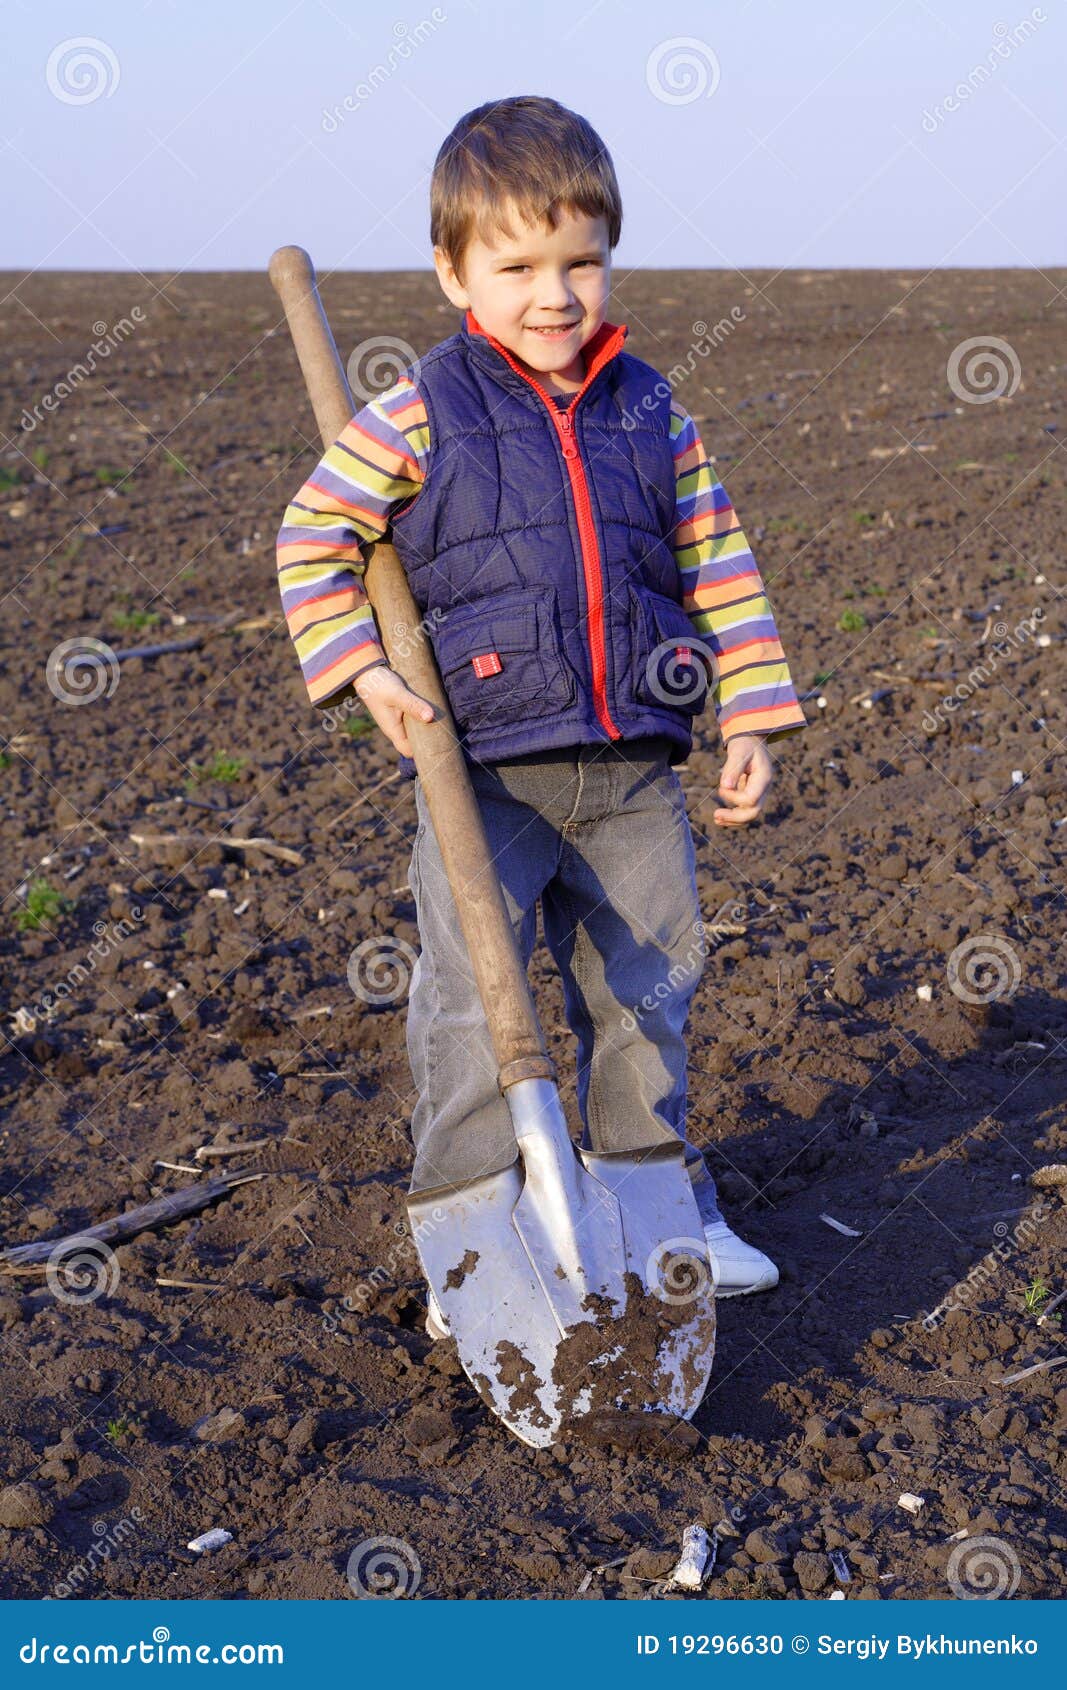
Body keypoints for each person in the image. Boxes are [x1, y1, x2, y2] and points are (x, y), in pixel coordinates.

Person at [276, 96, 808, 1333]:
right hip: (486, 776)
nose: (553, 293)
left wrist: (749, 718)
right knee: (470, 1002)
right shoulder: (419, 410)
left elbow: (715, 559)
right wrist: (367, 674)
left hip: (629, 768)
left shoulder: (648, 409)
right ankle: (467, 1228)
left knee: (645, 987)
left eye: (580, 260)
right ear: (453, 274)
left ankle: (657, 1202)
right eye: (515, 266)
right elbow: (314, 538)